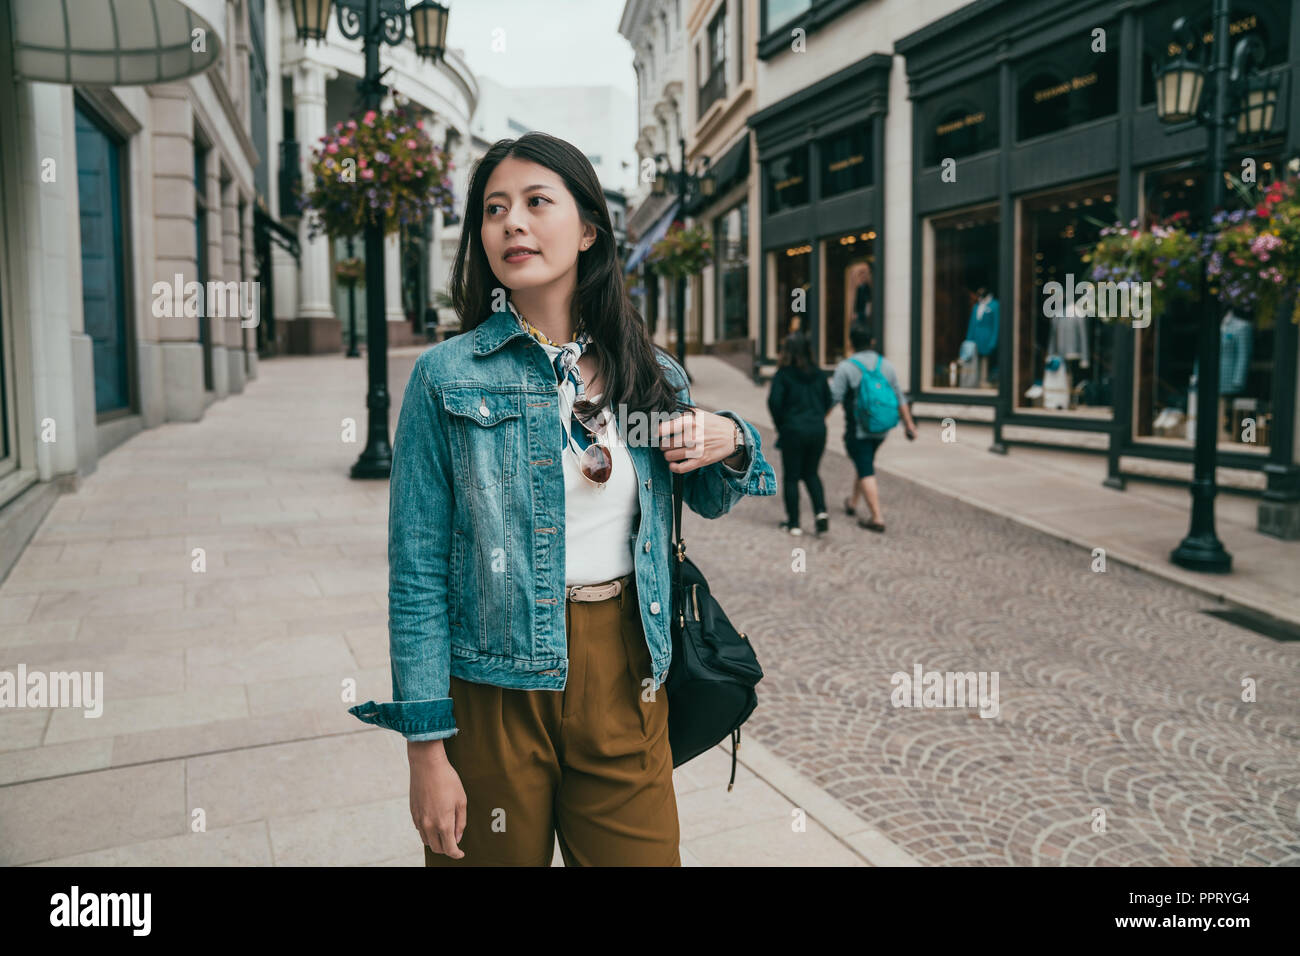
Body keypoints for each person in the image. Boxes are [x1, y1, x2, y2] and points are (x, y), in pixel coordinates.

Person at [348, 131, 777, 867]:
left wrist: (731, 437)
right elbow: (417, 573)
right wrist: (425, 750)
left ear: (587, 230)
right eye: (493, 208)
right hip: (490, 693)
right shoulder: (445, 379)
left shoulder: (651, 373)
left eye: (536, 202)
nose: (511, 221)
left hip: (626, 676)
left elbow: (710, 493)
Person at [828, 322, 917, 533]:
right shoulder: (885, 365)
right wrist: (909, 424)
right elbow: (899, 396)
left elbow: (833, 398)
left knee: (865, 467)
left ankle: (877, 517)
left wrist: (818, 420)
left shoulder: (846, 368)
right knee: (864, 462)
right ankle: (852, 503)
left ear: (851, 343)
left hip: (858, 431)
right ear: (872, 342)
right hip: (882, 429)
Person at [767, 330, 832, 536]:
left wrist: (781, 424)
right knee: (811, 473)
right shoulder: (819, 374)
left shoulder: (784, 374)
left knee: (792, 476)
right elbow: (828, 400)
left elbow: (774, 402)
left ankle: (794, 522)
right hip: (817, 429)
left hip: (793, 429)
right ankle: (821, 513)